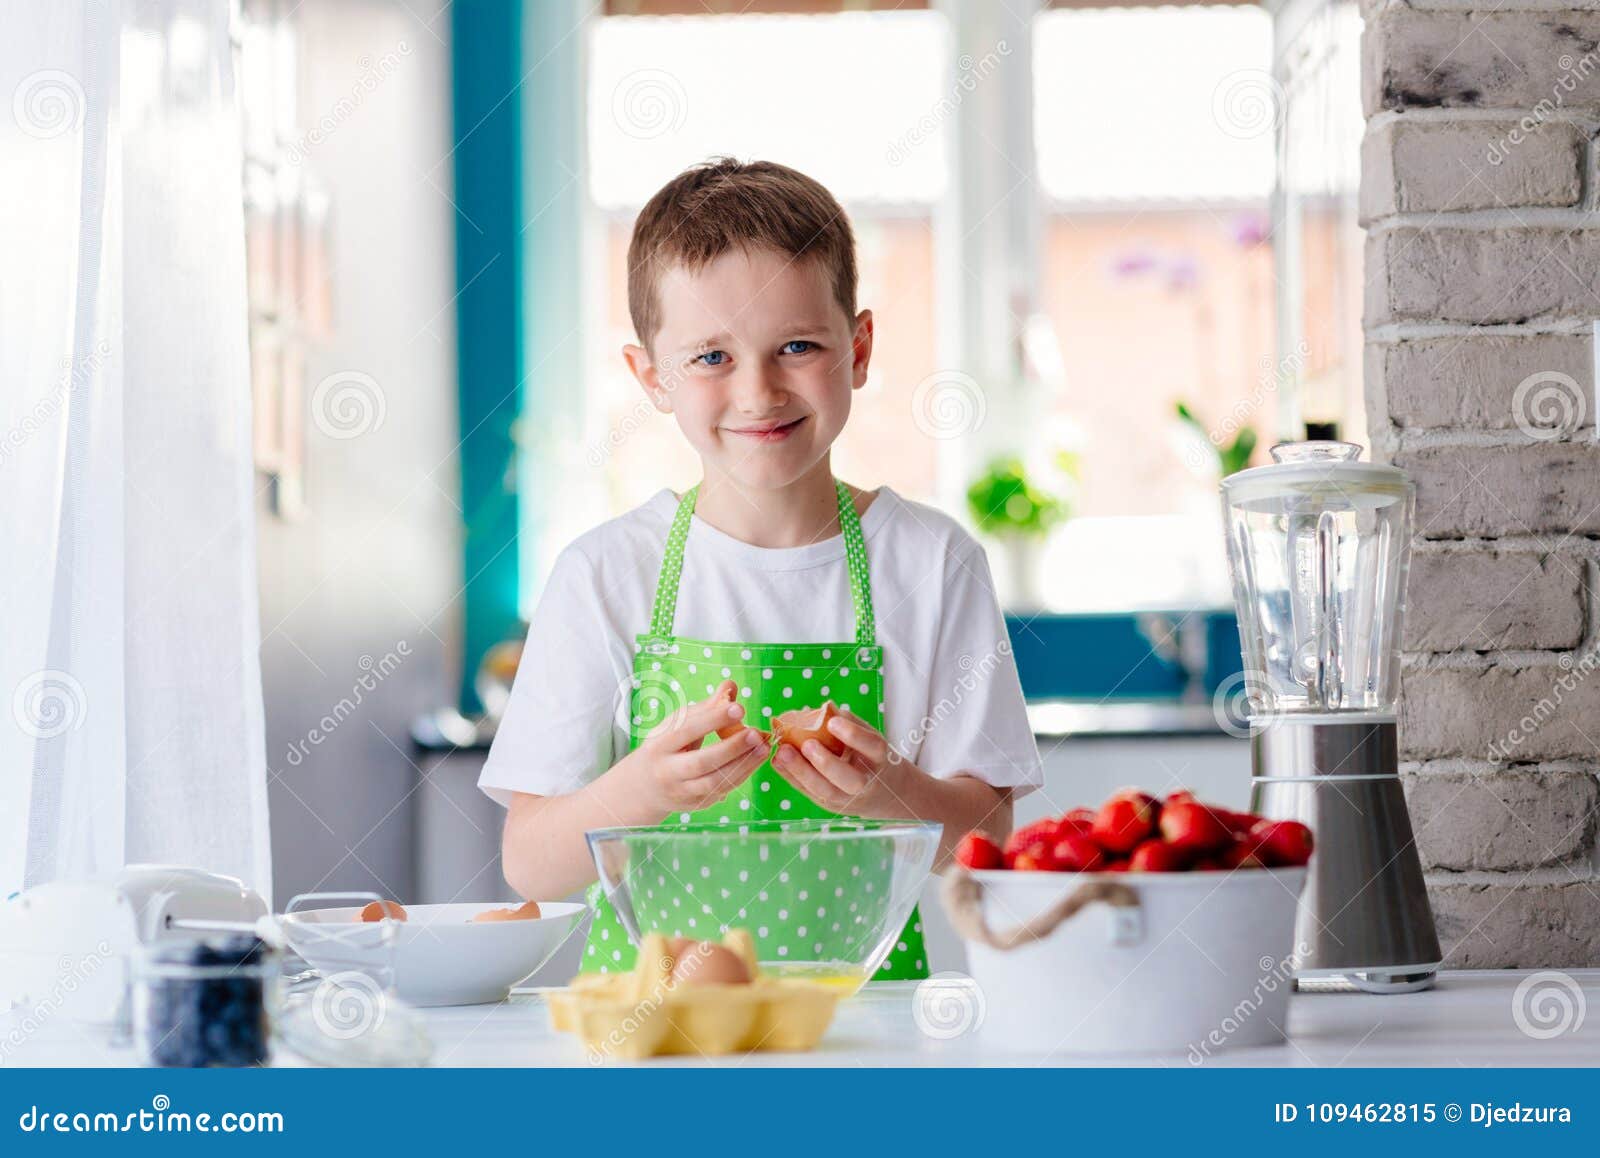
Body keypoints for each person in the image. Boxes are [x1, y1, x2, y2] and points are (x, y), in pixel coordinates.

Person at [480, 157, 1041, 979]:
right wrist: (643, 790)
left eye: (798, 346)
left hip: (866, 1026)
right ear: (652, 378)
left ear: (858, 349)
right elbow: (530, 863)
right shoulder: (604, 574)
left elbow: (992, 843)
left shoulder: (932, 562)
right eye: (711, 357)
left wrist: (886, 789)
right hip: (652, 1031)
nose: (758, 391)